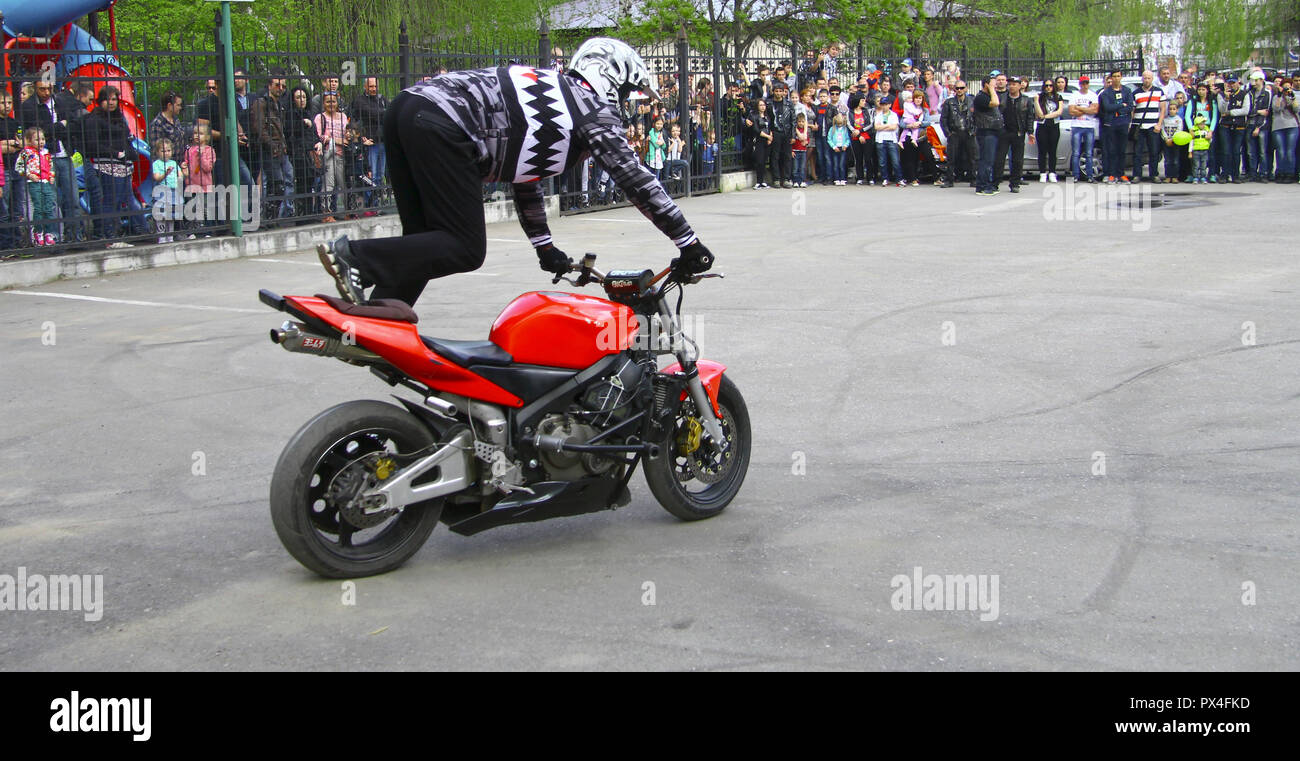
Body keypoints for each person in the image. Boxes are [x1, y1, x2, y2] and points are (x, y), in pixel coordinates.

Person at [316, 38, 714, 307]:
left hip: (409, 109)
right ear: (610, 75)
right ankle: (356, 256)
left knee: (425, 243)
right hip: (445, 123)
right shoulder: (589, 104)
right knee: (464, 248)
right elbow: (634, 178)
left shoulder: (555, 94)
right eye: (626, 92)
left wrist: (545, 247)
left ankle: (380, 315)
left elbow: (527, 176)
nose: (624, 103)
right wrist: (689, 242)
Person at [19, 79, 81, 243]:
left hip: (65, 153)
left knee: (72, 199)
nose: (46, 92)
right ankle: (53, 237)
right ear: (35, 88)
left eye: (49, 89)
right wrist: (59, 126)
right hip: (45, 158)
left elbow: (74, 124)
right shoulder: (29, 107)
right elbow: (34, 134)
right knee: (50, 201)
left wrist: (51, 130)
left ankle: (75, 236)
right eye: (42, 89)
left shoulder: (61, 101)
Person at [84, 86, 146, 246]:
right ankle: (109, 236)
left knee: (123, 201)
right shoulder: (95, 119)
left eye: (114, 99)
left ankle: (135, 231)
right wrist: (116, 153)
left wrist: (129, 154)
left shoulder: (119, 117)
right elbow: (93, 145)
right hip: (107, 165)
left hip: (124, 165)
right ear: (100, 101)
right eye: (107, 99)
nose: (111, 103)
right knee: (110, 201)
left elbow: (126, 137)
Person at [16, 127, 58, 246]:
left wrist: (51, 175)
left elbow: (51, 165)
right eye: (37, 139)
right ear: (29, 141)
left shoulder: (46, 152)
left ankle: (48, 233)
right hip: (34, 182)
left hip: (46, 182)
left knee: (49, 208)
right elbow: (18, 167)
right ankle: (38, 232)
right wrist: (29, 175)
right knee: (39, 208)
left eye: (43, 139)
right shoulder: (26, 152)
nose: (41, 142)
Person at [312, 91, 348, 221]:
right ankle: (326, 213)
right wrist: (337, 140)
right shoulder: (319, 117)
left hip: (342, 154)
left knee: (344, 184)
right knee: (329, 184)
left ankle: (348, 211)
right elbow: (319, 136)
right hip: (328, 154)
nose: (331, 104)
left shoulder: (343, 116)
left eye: (333, 101)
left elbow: (347, 132)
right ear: (323, 104)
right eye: (328, 101)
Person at [994, 76, 1034, 192]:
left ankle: (1015, 183)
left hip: (1018, 133)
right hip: (1004, 132)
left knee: (1017, 160)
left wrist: (1030, 132)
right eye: (1010, 84)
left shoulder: (1026, 100)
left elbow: (1029, 118)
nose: (1011, 86)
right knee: (999, 159)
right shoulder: (1002, 99)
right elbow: (997, 115)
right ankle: (996, 182)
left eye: (1014, 84)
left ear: (1020, 86)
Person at [1098, 70, 1135, 182]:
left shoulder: (1127, 91)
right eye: (1114, 76)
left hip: (1123, 123)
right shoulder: (1106, 93)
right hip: (1111, 123)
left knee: (1122, 149)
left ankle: (1121, 173)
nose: (1116, 78)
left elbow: (1129, 107)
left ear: (1121, 77)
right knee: (1111, 150)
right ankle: (1112, 174)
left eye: (1118, 76)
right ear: (1111, 78)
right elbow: (1107, 107)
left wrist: (1119, 108)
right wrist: (1120, 105)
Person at [1131, 71, 1165, 182]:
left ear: (1152, 79)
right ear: (1142, 79)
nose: (1147, 80)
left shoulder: (1159, 92)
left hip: (1153, 125)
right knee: (1137, 152)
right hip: (1139, 126)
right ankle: (1137, 175)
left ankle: (1154, 174)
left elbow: (1163, 109)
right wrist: (1133, 123)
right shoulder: (1136, 93)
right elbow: (1133, 110)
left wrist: (1159, 124)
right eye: (1145, 78)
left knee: (1154, 151)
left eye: (1149, 78)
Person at [940, 80, 975, 188]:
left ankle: (973, 179)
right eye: (957, 88)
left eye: (962, 88)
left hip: (968, 132)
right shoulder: (949, 102)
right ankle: (949, 179)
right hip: (954, 132)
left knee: (972, 157)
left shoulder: (972, 101)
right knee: (951, 158)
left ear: (966, 88)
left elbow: (977, 117)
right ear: (954, 89)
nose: (959, 90)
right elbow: (943, 119)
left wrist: (974, 131)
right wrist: (948, 133)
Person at [973, 75, 1002, 195]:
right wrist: (991, 90)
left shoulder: (987, 96)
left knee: (990, 160)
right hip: (986, 132)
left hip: (993, 131)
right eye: (993, 83)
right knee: (986, 160)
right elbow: (995, 103)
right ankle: (983, 186)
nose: (996, 86)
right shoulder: (981, 97)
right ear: (986, 84)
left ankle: (986, 184)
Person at [1067, 75, 1099, 181]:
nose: (1084, 85)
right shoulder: (1074, 95)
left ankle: (1090, 176)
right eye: (1082, 83)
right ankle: (1075, 175)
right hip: (1077, 125)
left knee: (1089, 153)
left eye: (1086, 83)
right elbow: (1071, 111)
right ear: (1080, 84)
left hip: (1089, 126)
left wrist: (1079, 108)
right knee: (1076, 152)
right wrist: (1087, 109)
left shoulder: (1093, 95)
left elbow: (1094, 111)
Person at [150, 137, 182, 243]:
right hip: (162, 191)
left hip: (173, 192)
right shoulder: (156, 164)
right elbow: (157, 177)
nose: (166, 153)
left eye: (168, 150)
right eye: (163, 151)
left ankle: (170, 236)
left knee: (171, 215)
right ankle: (162, 236)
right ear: (158, 152)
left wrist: (183, 172)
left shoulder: (173, 163)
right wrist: (166, 174)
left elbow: (180, 176)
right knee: (161, 215)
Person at [1269, 77, 1299, 183]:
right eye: (1285, 87)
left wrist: (1290, 97)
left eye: (1289, 87)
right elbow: (1276, 108)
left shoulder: (1293, 96)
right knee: (1280, 151)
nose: (1287, 89)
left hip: (1292, 125)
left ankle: (1289, 173)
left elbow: (1296, 109)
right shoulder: (1276, 97)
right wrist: (1280, 95)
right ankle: (1280, 172)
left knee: (1290, 151)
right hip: (1278, 126)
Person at [1035, 79, 1065, 182]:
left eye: (1051, 85)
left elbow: (1059, 111)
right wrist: (1036, 101)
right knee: (1042, 151)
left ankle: (1052, 172)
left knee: (1053, 151)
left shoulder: (1058, 97)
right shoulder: (1039, 97)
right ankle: (1042, 172)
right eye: (1046, 85)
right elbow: (1038, 114)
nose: (1048, 87)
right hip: (1042, 126)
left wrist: (1046, 116)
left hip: (1054, 125)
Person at [1246, 70, 1271, 181]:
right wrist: (1258, 111)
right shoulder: (1249, 93)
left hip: (1261, 125)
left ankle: (1263, 173)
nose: (1253, 83)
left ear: (1261, 80)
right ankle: (1252, 173)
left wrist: (1258, 127)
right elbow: (1248, 110)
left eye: (1256, 80)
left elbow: (1266, 112)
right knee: (1251, 151)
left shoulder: (1267, 93)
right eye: (1252, 80)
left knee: (1262, 151)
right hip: (1249, 123)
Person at [874, 94, 902, 186]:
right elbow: (876, 127)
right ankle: (885, 178)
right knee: (882, 162)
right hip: (881, 140)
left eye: (886, 104)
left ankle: (899, 179)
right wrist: (887, 126)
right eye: (882, 104)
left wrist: (883, 127)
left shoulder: (894, 115)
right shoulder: (878, 115)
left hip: (891, 139)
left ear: (889, 105)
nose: (884, 106)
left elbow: (894, 127)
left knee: (895, 161)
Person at [1160, 91, 1188, 182]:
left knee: (1175, 160)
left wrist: (1173, 139)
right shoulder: (1165, 119)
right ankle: (1168, 176)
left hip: (1175, 141)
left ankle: (1175, 176)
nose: (1172, 110)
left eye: (1174, 109)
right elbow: (1163, 129)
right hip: (1166, 142)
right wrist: (1166, 138)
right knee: (1167, 160)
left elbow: (1179, 130)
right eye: (1170, 109)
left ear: (1177, 110)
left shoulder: (1179, 120)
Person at [749, 97, 773, 188]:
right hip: (759, 140)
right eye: (761, 105)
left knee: (764, 161)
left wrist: (770, 137)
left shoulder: (767, 116)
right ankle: (758, 181)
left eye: (764, 105)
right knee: (759, 161)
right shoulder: (754, 116)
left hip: (767, 141)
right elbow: (756, 129)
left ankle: (762, 181)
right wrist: (767, 136)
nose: (763, 107)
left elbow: (770, 127)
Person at [827, 113, 850, 185]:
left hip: (843, 148)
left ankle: (843, 178)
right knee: (836, 164)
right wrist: (833, 146)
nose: (839, 125)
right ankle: (836, 178)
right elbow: (829, 139)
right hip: (835, 148)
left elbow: (848, 139)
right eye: (838, 123)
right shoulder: (832, 129)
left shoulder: (845, 129)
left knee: (841, 164)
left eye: (841, 124)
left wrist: (846, 145)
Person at [1189, 114, 1212, 183]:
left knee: (1204, 165)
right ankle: (1195, 177)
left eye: (1204, 123)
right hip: (1196, 150)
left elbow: (1210, 141)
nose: (1203, 125)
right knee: (1196, 165)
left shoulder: (1206, 131)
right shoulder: (1194, 132)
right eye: (1201, 124)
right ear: (1197, 124)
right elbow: (1191, 142)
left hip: (1205, 150)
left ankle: (1203, 177)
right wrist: (1190, 152)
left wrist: (1209, 138)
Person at [791, 113, 810, 187]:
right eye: (799, 121)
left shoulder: (805, 130)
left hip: (803, 151)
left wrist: (806, 142)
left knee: (802, 167)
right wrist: (791, 150)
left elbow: (807, 139)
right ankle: (795, 181)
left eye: (802, 121)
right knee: (795, 167)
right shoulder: (795, 131)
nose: (801, 123)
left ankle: (802, 181)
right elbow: (792, 142)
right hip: (795, 150)